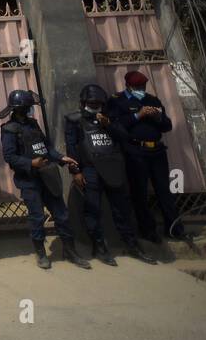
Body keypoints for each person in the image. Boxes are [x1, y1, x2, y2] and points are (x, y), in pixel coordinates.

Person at [65, 84, 157, 266]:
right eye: (92, 103)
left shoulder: (110, 117)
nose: (95, 106)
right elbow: (72, 145)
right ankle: (99, 248)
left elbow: (124, 137)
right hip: (90, 169)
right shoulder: (73, 119)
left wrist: (110, 125)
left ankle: (132, 245)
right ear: (84, 102)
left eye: (99, 103)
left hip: (114, 168)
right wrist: (75, 170)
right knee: (93, 210)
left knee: (122, 209)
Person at [0, 88, 90, 270]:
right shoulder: (9, 130)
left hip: (48, 175)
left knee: (62, 215)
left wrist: (61, 158)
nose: (31, 110)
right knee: (37, 217)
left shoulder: (33, 124)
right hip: (29, 180)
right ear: (20, 109)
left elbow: (46, 147)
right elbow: (9, 156)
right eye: (28, 107)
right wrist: (31, 163)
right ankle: (41, 253)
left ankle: (70, 251)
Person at [104, 70, 195, 251]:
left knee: (164, 191)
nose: (141, 90)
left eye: (143, 87)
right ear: (129, 86)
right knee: (140, 194)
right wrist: (138, 115)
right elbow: (115, 126)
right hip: (135, 152)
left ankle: (175, 229)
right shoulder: (117, 101)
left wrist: (157, 117)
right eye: (137, 87)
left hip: (157, 152)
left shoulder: (152, 100)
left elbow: (167, 126)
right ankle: (148, 231)